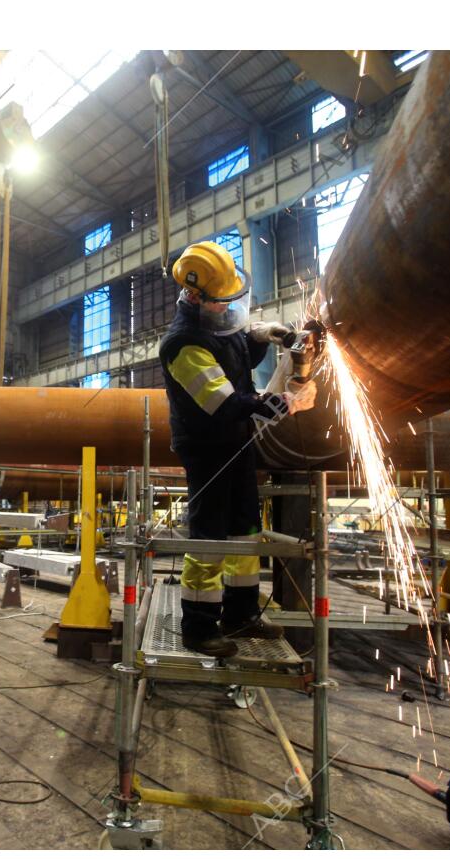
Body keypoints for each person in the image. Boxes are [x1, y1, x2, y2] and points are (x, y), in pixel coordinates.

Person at [159, 241, 317, 658]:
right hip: (208, 447)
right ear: (196, 297)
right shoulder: (183, 345)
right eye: (222, 300)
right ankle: (199, 625)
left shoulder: (215, 324)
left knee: (245, 529)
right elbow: (225, 404)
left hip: (236, 441)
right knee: (210, 537)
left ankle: (241, 613)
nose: (229, 307)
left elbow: (240, 347)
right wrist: (286, 400)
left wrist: (273, 334)